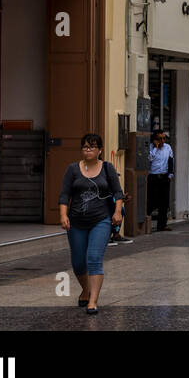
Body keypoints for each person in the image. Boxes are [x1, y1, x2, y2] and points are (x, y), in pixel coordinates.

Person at [58, 133, 124, 314]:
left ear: (100, 150)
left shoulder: (107, 168)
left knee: (94, 258)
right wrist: (63, 215)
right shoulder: (72, 169)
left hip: (100, 220)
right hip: (77, 222)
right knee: (79, 263)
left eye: (92, 147)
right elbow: (64, 195)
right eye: (85, 147)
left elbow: (118, 193)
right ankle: (86, 290)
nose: (88, 150)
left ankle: (92, 301)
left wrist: (117, 212)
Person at [148, 130, 174, 231]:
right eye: (160, 139)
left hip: (164, 177)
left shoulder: (168, 147)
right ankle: (146, 223)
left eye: (164, 138)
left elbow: (171, 160)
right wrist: (155, 148)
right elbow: (149, 159)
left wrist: (170, 174)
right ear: (155, 140)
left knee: (164, 202)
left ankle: (162, 225)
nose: (162, 140)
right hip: (153, 177)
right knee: (152, 201)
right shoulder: (151, 147)